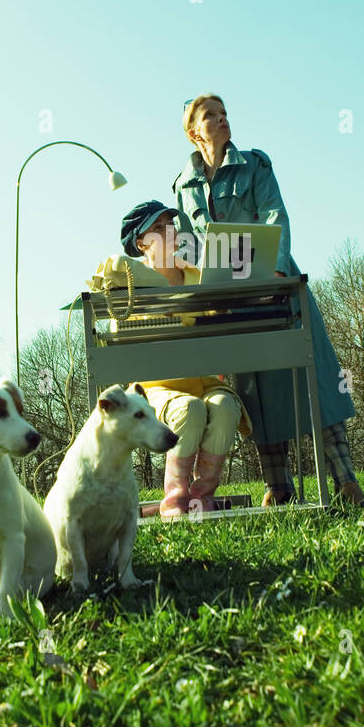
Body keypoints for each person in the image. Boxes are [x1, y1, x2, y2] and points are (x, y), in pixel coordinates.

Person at [171, 93, 364, 507]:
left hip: (276, 284)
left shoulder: (256, 164)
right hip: (228, 298)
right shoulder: (182, 186)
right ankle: (278, 487)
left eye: (224, 113)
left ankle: (347, 481)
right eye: (211, 116)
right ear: (193, 132)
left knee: (312, 377)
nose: (222, 120)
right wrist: (201, 292)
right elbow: (187, 245)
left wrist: (275, 269)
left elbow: (275, 213)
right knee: (254, 388)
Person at [84, 200, 252, 519]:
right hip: (156, 386)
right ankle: (175, 500)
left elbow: (220, 334)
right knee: (190, 409)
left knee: (226, 407)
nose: (169, 233)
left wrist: (220, 314)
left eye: (171, 226)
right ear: (140, 242)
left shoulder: (202, 277)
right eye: (158, 229)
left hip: (203, 381)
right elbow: (125, 345)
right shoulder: (129, 287)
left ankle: (202, 498)